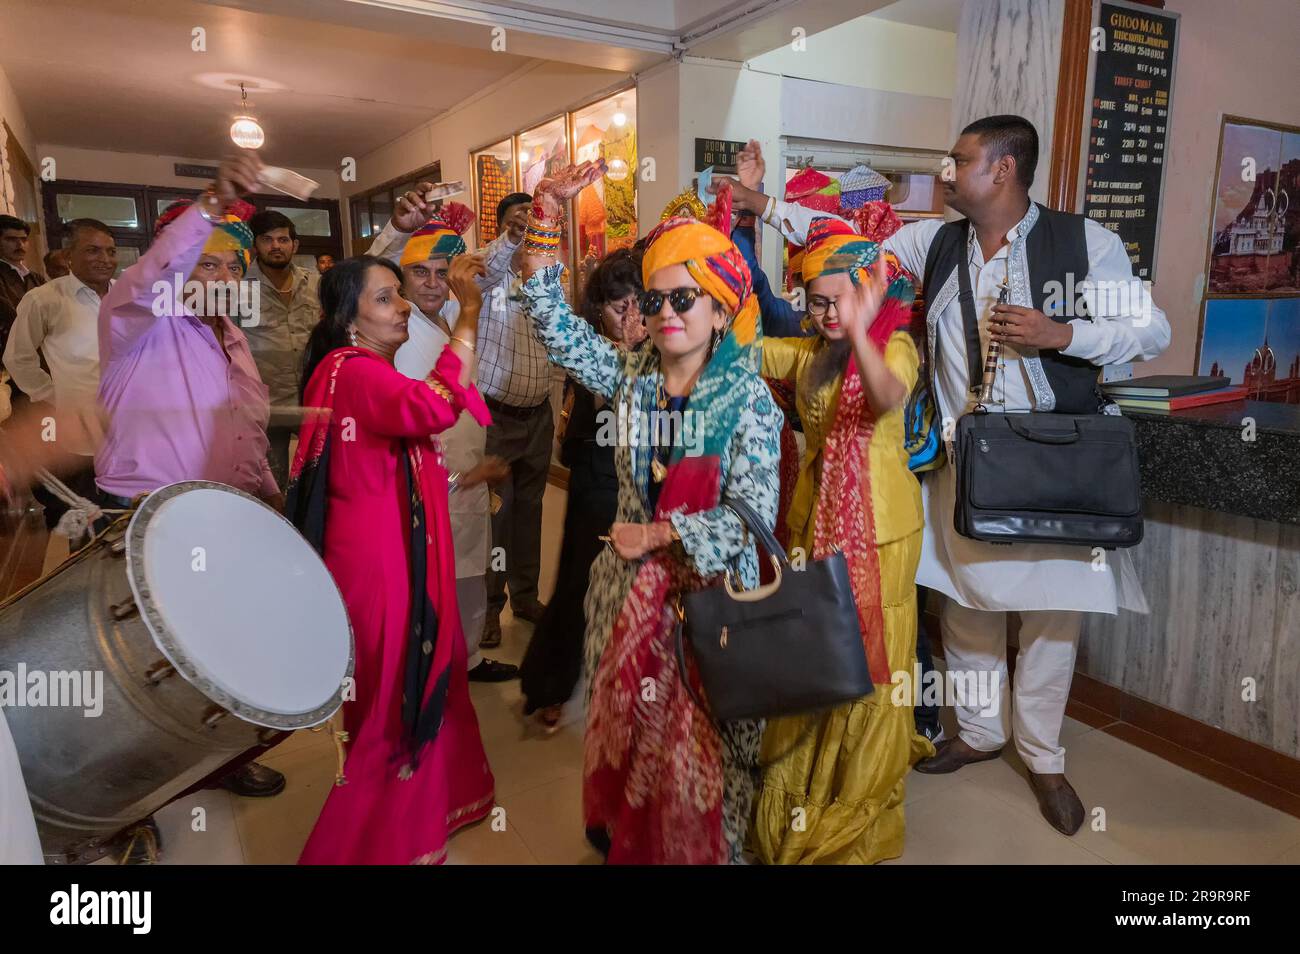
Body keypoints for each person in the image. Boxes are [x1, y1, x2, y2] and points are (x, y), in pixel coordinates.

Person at [726, 116, 1170, 835]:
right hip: (967, 464)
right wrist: (762, 205)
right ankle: (978, 732)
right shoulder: (931, 240)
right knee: (966, 609)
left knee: (1052, 623)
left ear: (1001, 170)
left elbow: (1153, 329)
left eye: (959, 160)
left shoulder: (1086, 244)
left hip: (1055, 464)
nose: (945, 170)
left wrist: (1065, 335)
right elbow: (836, 237)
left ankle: (1044, 757)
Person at [518, 162, 783, 864]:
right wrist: (548, 216)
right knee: (635, 738)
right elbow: (555, 328)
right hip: (627, 594)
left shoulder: (750, 399)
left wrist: (666, 533)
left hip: (713, 608)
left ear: (723, 309)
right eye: (656, 300)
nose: (666, 315)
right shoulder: (632, 378)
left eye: (686, 300)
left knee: (707, 755)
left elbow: (752, 513)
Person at [95, 155, 287, 814]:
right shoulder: (134, 326)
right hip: (145, 517)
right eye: (207, 263)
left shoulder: (230, 336)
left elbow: (246, 429)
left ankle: (218, 761)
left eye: (233, 265)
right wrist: (213, 204)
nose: (224, 276)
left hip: (219, 515)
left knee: (215, 648)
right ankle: (128, 799)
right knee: (140, 666)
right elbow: (152, 276)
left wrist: (268, 492)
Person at [291, 254, 495, 864]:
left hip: (382, 548)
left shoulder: (344, 370)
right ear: (346, 317)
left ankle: (435, 804)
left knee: (423, 671)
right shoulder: (353, 371)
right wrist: (470, 316)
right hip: (383, 562)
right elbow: (432, 407)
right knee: (395, 694)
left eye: (397, 296)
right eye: (385, 298)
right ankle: (375, 839)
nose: (404, 305)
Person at [748, 216, 933, 864]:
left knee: (874, 673)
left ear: (869, 289)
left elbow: (887, 397)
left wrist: (862, 331)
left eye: (837, 298)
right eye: (816, 301)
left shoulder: (896, 344)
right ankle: (808, 790)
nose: (825, 312)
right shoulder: (812, 354)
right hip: (817, 526)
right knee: (818, 661)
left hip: (881, 536)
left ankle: (858, 801)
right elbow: (750, 347)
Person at [367, 189, 518, 682]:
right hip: (425, 477)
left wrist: (523, 231)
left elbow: (482, 270)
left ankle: (469, 657)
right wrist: (398, 229)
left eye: (440, 273)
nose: (431, 284)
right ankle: (431, 669)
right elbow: (363, 278)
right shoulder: (393, 328)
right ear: (400, 279)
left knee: (471, 573)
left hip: (470, 469)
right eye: (418, 272)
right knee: (429, 577)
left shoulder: (453, 316)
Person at [519, 247, 645, 731]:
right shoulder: (595, 349)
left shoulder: (667, 347)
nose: (631, 317)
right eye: (619, 307)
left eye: (641, 303)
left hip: (647, 478)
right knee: (581, 582)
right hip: (600, 477)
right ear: (599, 308)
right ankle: (549, 684)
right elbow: (606, 390)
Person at [4, 218, 116, 527]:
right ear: (69, 256)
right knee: (84, 518)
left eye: (110, 251)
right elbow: (18, 358)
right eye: (93, 250)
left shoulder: (125, 297)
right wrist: (52, 396)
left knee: (128, 512)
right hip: (79, 432)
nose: (105, 259)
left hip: (127, 427)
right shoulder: (45, 299)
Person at [477, 190, 551, 649]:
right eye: (516, 219)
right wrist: (511, 237)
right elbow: (486, 267)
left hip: (538, 416)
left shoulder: (547, 279)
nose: (526, 224)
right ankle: (488, 608)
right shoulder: (488, 278)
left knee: (530, 513)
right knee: (496, 519)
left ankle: (525, 597)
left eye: (531, 217)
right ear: (502, 228)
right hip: (495, 419)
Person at [244, 209, 321, 489]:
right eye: (267, 239)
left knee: (321, 478)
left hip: (311, 400)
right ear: (255, 245)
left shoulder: (314, 282)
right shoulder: (238, 287)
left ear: (295, 245)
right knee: (270, 487)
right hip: (266, 406)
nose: (276, 246)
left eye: (283, 239)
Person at [0, 214, 46, 360]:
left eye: (23, 239)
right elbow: (11, 316)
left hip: (40, 352)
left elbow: (50, 311)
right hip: (10, 355)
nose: (20, 245)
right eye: (11, 239)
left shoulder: (35, 277)